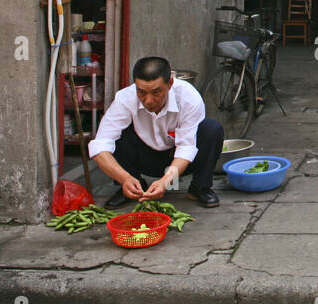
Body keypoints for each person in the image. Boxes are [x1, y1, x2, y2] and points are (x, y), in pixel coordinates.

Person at [88, 56, 223, 208]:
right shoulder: (125, 98)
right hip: (144, 157)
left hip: (177, 159)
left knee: (212, 129)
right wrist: (124, 178)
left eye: (156, 92)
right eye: (142, 92)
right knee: (117, 134)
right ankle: (132, 187)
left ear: (170, 83)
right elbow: (99, 145)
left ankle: (200, 187)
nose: (148, 100)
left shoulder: (189, 98)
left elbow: (186, 147)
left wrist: (166, 182)